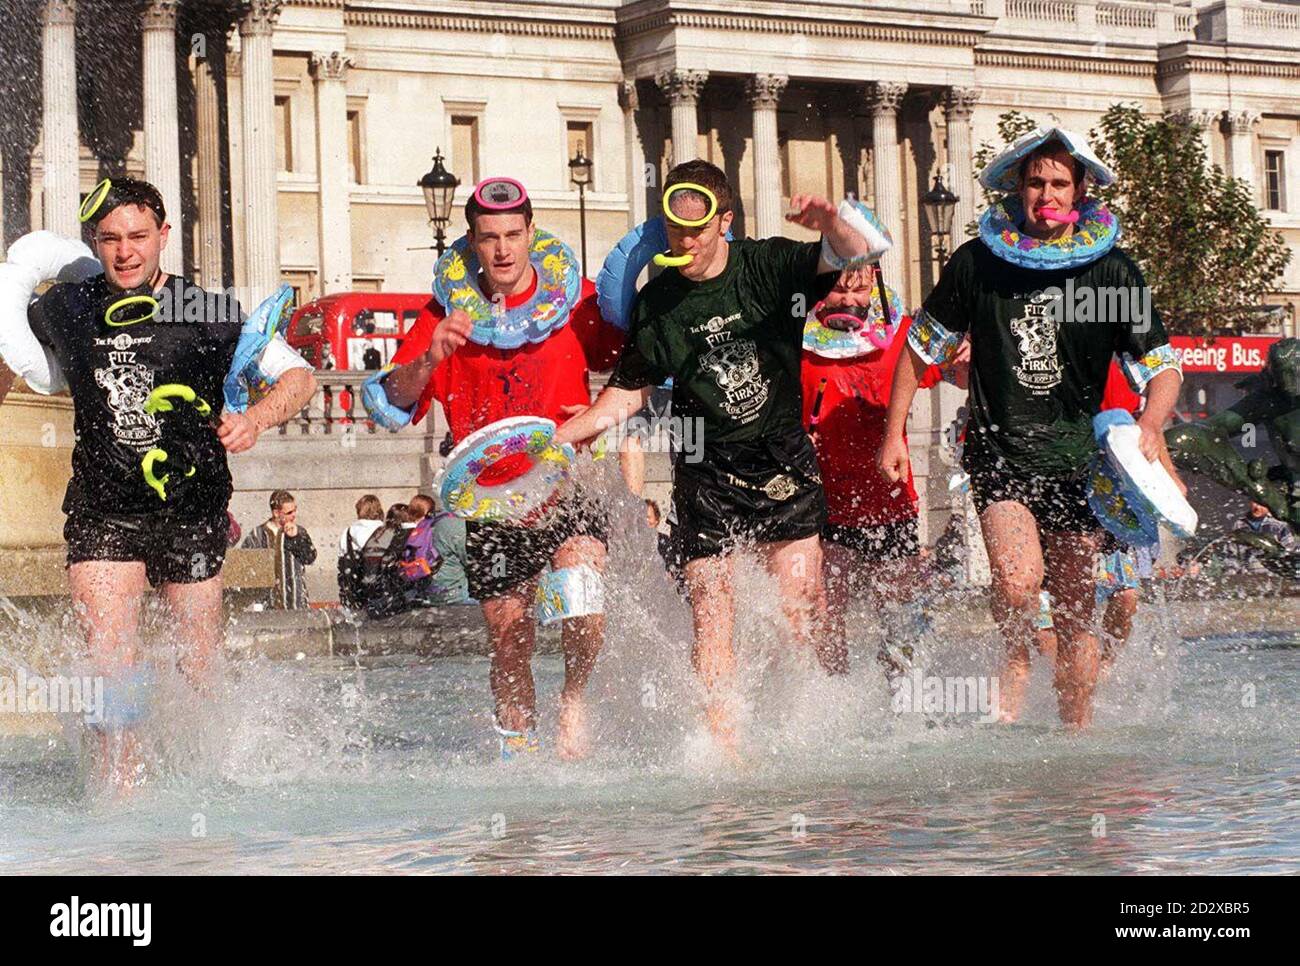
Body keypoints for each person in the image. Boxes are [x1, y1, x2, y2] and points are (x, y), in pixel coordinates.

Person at [554, 160, 877, 753]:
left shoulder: (769, 264)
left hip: (781, 460)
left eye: (699, 232)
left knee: (800, 615)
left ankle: (801, 738)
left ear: (724, 222)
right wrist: (574, 430)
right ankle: (723, 750)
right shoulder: (659, 302)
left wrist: (833, 220)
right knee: (710, 606)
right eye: (676, 232)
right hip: (705, 471)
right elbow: (630, 389)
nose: (687, 243)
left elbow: (855, 256)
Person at [0, 176, 315, 784]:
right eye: (111, 238)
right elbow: (13, 364)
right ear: (95, 241)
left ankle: (201, 783)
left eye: (138, 236)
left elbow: (297, 379)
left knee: (198, 666)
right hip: (103, 510)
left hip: (190, 511)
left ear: (164, 236)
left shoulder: (209, 313)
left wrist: (253, 418)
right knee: (108, 662)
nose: (125, 252)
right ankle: (122, 791)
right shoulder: (65, 306)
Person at [878, 129, 1182, 729]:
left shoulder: (1114, 273)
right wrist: (894, 435)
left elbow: (1163, 367)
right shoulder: (976, 263)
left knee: (1076, 609)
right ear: (1018, 189)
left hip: (1078, 462)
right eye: (1036, 181)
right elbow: (918, 351)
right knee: (1019, 586)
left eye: (1059, 183)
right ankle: (1015, 651)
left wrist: (1150, 423)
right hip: (1001, 455)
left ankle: (1077, 731)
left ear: (1080, 191)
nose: (1047, 193)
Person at [364, 176, 624, 760]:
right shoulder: (443, 314)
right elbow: (390, 401)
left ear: (532, 233)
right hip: (488, 500)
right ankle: (520, 756)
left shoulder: (575, 300)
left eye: (513, 234)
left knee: (581, 593)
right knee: (511, 638)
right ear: (471, 242)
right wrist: (430, 356)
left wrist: (599, 412)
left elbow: (638, 369)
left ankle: (574, 699)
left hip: (566, 484)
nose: (503, 249)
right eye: (489, 238)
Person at [799, 264, 947, 678]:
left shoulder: (901, 335)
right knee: (826, 612)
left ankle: (901, 703)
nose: (849, 301)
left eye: (860, 291)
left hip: (890, 497)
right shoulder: (797, 341)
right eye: (839, 292)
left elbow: (947, 364)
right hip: (824, 502)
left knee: (900, 618)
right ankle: (835, 701)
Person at [243, 489, 318, 610]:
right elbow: (245, 566)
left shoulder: (300, 531)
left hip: (296, 602)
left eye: (295, 510)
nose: (294, 515)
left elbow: (310, 558)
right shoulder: (257, 534)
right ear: (276, 513)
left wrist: (296, 538)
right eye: (289, 512)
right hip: (268, 605)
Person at [338, 494, 385, 610]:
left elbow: (341, 555)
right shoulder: (384, 531)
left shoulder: (348, 532)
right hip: (377, 587)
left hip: (353, 587)